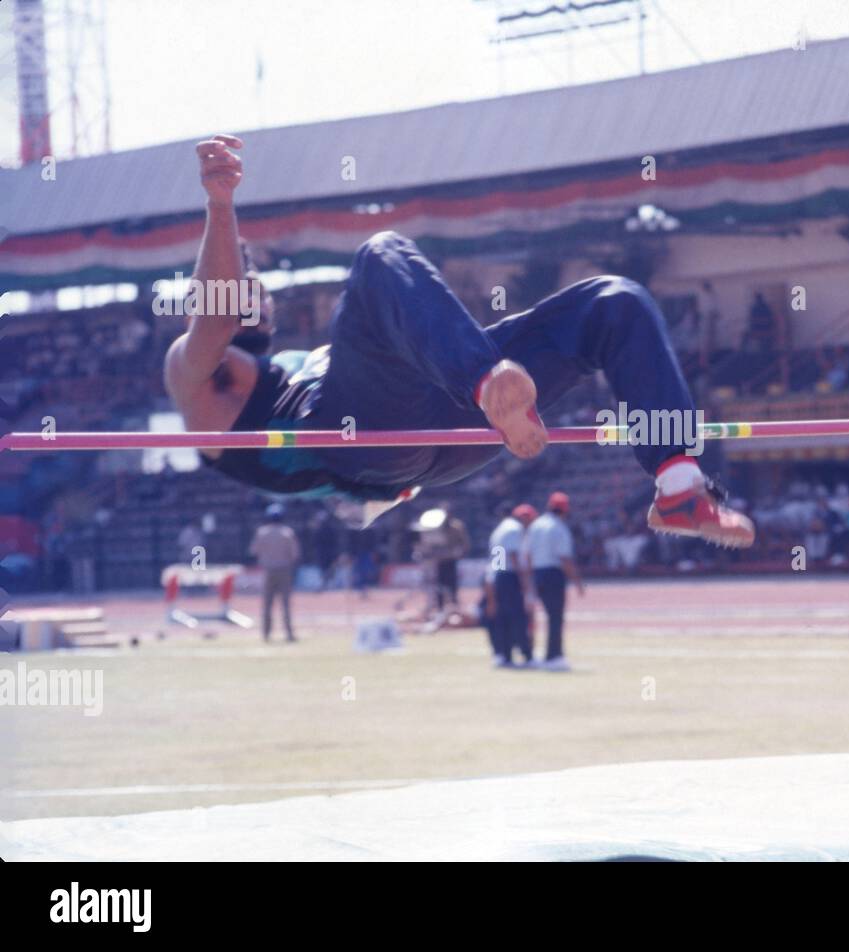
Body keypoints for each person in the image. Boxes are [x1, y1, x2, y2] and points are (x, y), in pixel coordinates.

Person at [164, 136, 753, 547]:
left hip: (450, 431)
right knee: (379, 255)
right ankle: (486, 380)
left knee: (615, 304)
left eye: (255, 279)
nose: (258, 292)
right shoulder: (198, 375)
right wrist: (221, 205)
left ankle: (678, 484)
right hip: (366, 443)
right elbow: (214, 320)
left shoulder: (291, 361)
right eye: (245, 280)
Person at [523, 492, 584, 672]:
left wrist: (529, 577)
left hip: (537, 572)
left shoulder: (536, 525)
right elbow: (564, 557)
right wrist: (577, 581)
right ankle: (554, 655)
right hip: (553, 573)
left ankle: (532, 653)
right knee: (555, 616)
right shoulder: (558, 527)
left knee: (536, 615)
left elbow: (527, 554)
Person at [485, 504, 537, 668]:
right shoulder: (515, 529)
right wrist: (524, 581)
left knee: (503, 618)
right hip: (510, 576)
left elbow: (498, 561)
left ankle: (505, 654)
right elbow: (514, 555)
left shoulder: (498, 531)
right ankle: (526, 655)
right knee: (518, 618)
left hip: (500, 576)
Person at [249, 503, 300, 643]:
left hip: (268, 571)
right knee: (286, 605)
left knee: (267, 604)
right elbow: (295, 554)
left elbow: (254, 551)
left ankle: (266, 634)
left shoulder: (262, 532)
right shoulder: (287, 532)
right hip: (284, 570)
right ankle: (289, 634)